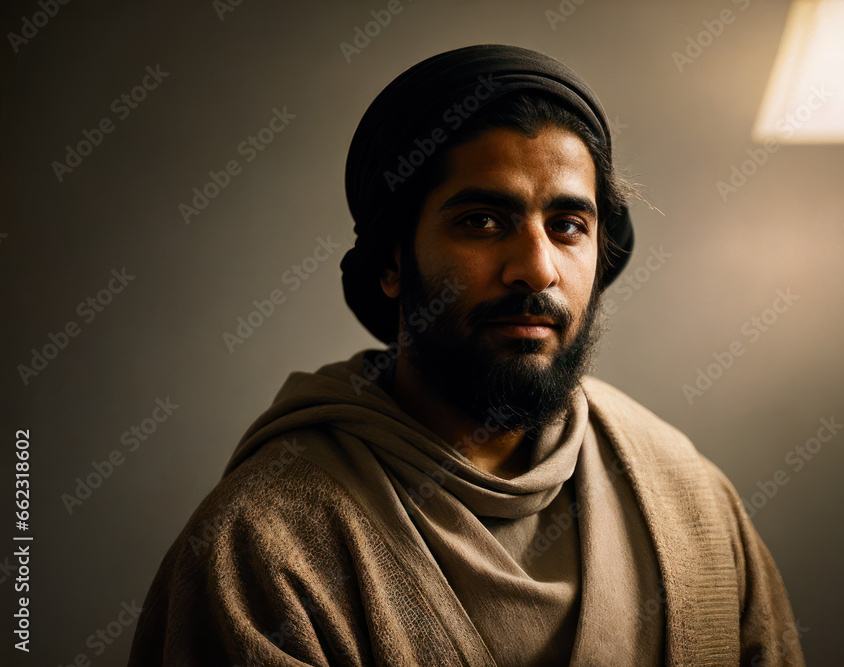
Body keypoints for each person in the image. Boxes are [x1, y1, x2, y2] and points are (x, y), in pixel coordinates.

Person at [127, 44, 805, 666]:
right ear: (393, 261)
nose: (536, 268)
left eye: (568, 226)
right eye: (482, 221)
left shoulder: (690, 499)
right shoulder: (263, 548)